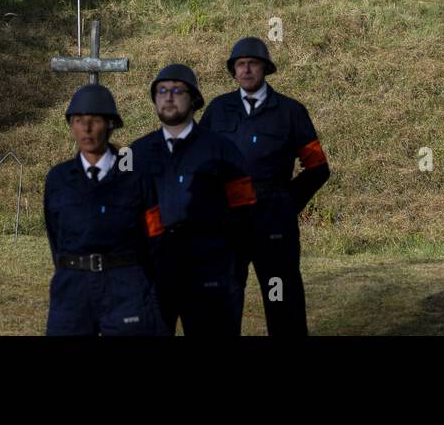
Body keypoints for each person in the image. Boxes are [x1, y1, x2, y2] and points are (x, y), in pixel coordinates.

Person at [205, 37, 330, 336]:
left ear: (265, 68)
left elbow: (318, 167)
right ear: (233, 71)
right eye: (240, 64)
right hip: (228, 221)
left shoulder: (290, 112)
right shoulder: (218, 110)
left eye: (253, 63)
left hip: (273, 222)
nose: (246, 70)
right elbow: (198, 160)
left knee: (281, 297)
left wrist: (288, 202)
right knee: (223, 299)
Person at [131, 63, 257, 336]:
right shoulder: (136, 153)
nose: (168, 97)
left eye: (177, 90)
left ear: (194, 99)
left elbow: (245, 211)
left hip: (208, 272)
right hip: (153, 275)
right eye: (161, 91)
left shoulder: (222, 149)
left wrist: (232, 266)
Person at [43, 84, 168, 336]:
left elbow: (155, 239)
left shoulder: (135, 177)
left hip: (125, 285)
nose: (86, 129)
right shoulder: (58, 179)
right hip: (72, 287)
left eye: (95, 120)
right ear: (70, 125)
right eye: (78, 121)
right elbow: (55, 237)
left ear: (110, 124)